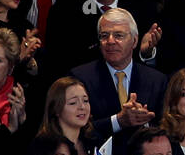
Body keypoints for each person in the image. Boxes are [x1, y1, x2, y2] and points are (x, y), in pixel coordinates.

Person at [69, 8, 168, 144]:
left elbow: (166, 129)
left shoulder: (157, 80)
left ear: (134, 41)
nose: (110, 41)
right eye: (104, 36)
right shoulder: (81, 78)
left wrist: (143, 123)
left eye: (118, 35)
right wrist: (118, 121)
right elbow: (76, 129)